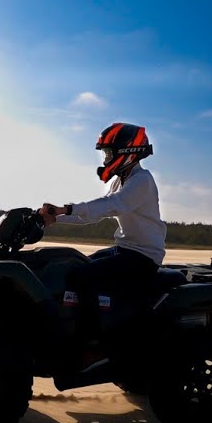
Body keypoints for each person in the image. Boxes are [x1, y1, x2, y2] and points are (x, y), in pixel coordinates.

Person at [38, 122, 167, 363]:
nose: (106, 158)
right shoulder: (121, 179)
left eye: (109, 153)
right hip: (125, 248)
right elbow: (93, 213)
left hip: (143, 256)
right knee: (73, 265)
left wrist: (65, 207)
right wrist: (55, 218)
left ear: (127, 152)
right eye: (104, 153)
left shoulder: (142, 180)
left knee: (83, 277)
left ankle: (93, 342)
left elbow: (110, 206)